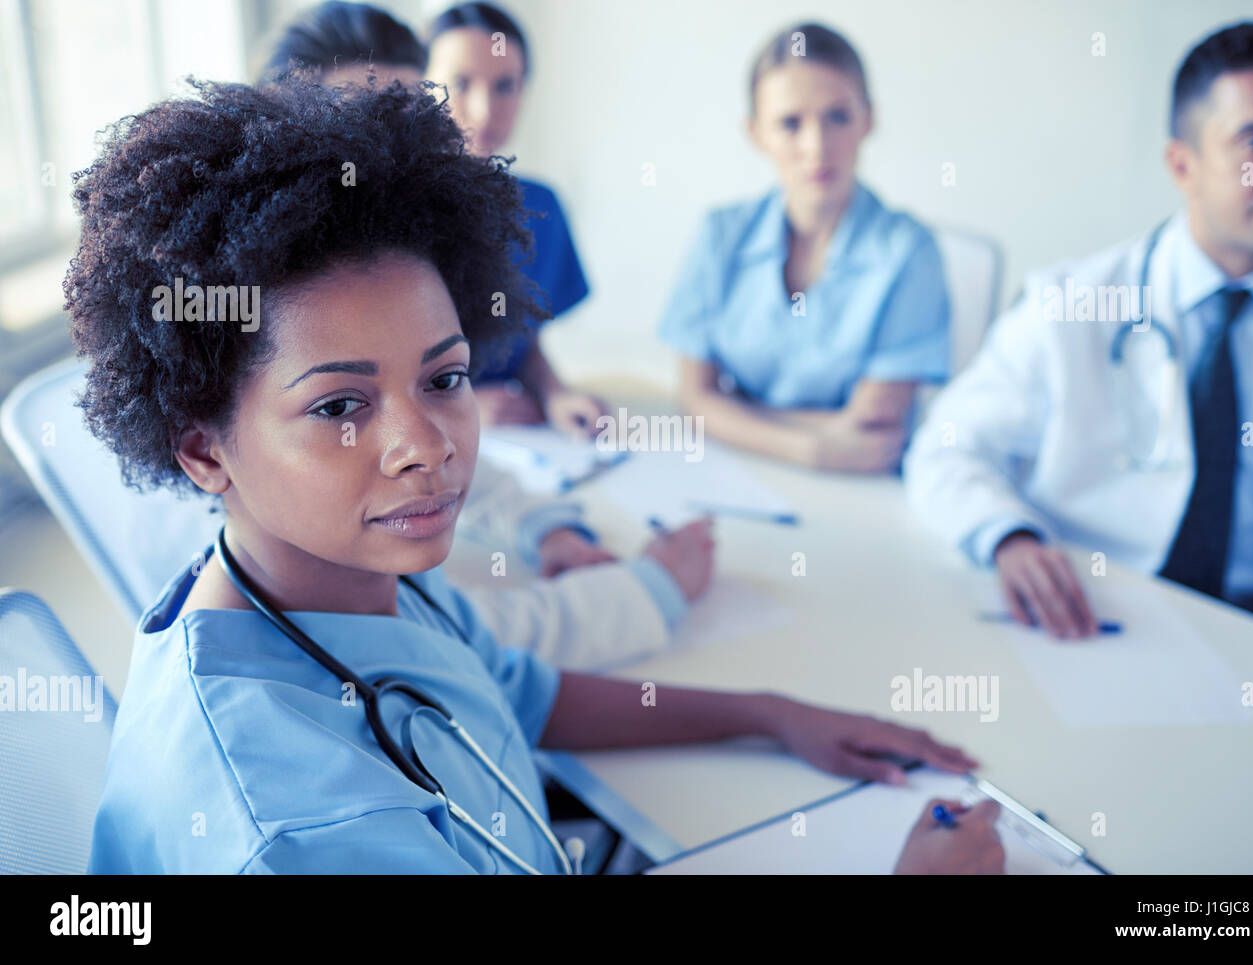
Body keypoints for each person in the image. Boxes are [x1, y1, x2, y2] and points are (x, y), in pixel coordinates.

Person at [75, 78, 1001, 873]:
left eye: (444, 378)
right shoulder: (296, 831)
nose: (426, 445)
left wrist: (773, 712)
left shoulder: (348, 578)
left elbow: (511, 690)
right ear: (203, 450)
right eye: (339, 407)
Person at [260, 0, 712, 669]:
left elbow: (425, 456)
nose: (387, 168)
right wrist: (648, 592)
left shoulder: (384, 272)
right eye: (354, 137)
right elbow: (424, 643)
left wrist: (546, 526)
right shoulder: (269, 338)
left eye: (407, 132)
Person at [905, 21, 1253, 636]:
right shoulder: (1070, 304)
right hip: (1108, 610)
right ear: (1182, 164)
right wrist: (1009, 537)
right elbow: (945, 448)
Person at [659, 22, 951, 473]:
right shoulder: (720, 235)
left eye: (837, 116)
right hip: (735, 471)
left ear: (868, 119)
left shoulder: (910, 252)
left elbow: (873, 432)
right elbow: (693, 399)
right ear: (756, 134)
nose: (816, 147)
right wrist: (814, 446)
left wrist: (731, 409)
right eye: (790, 123)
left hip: (863, 497)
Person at [425, 1, 606, 436]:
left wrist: (554, 393)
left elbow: (520, 343)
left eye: (505, 85)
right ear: (420, 86)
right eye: (461, 82)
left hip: (515, 444)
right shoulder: (382, 211)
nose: (485, 110)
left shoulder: (540, 208)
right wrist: (456, 405)